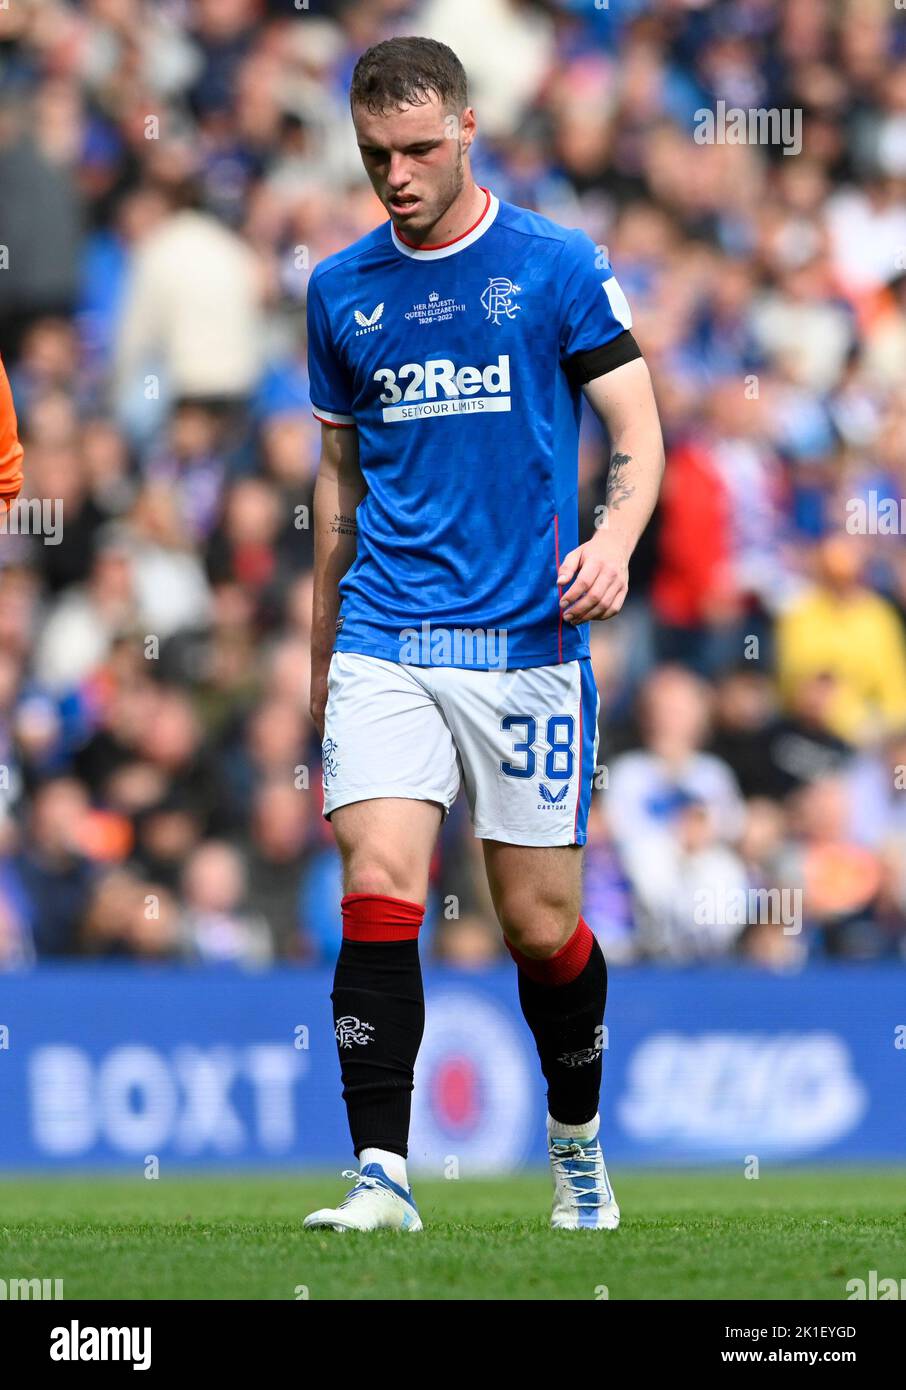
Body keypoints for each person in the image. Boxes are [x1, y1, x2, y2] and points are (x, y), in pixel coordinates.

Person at [304, 38, 664, 1234]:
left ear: (466, 128)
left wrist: (613, 542)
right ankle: (381, 1176)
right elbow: (337, 492)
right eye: (374, 156)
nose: (395, 176)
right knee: (380, 881)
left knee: (540, 929)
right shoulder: (340, 290)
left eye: (415, 150)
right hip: (387, 635)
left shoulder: (556, 264)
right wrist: (323, 662)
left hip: (525, 644)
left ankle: (577, 1145)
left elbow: (638, 430)